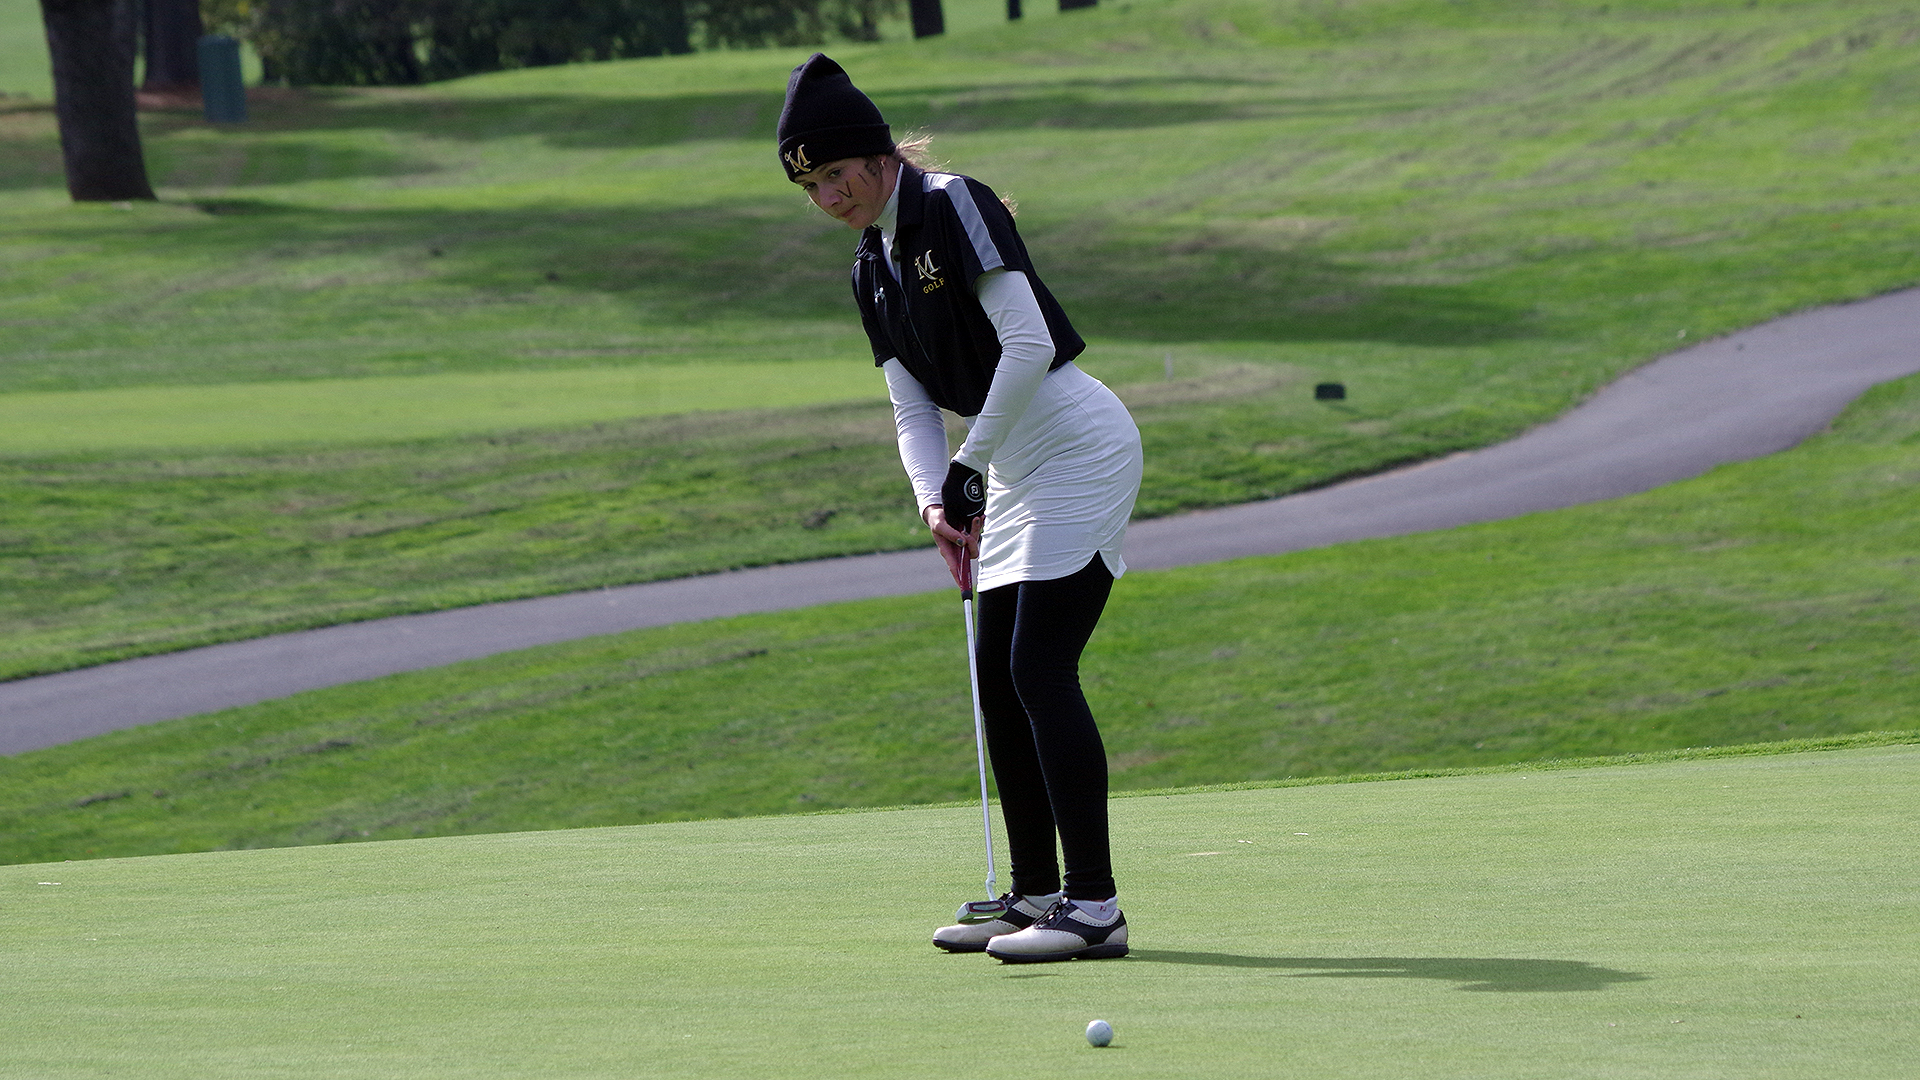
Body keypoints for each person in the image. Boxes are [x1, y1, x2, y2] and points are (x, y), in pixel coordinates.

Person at [777, 54, 1144, 964]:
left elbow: (1024, 344)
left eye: (833, 173)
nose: (828, 197)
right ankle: (1032, 896)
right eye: (811, 185)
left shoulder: (951, 202)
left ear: (873, 156)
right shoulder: (870, 268)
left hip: (1075, 443)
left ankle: (1094, 908)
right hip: (1008, 466)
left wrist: (970, 466)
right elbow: (910, 408)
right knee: (996, 680)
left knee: (1039, 668)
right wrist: (934, 501)